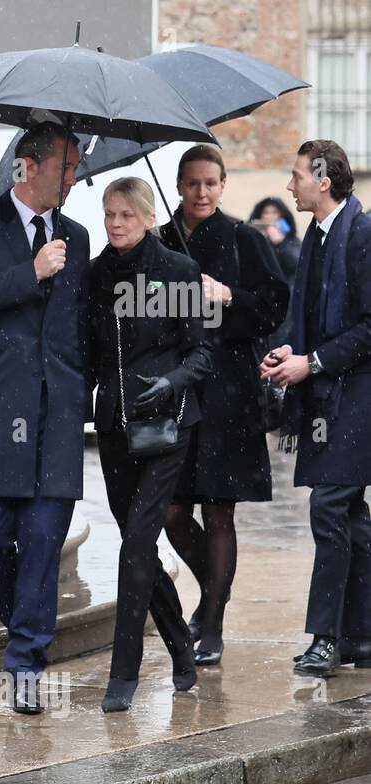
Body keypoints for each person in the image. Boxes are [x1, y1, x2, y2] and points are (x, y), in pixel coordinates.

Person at [0, 122, 91, 715]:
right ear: (29, 167)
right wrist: (32, 272)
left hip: (57, 415)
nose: (74, 178)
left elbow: (87, 324)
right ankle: (25, 628)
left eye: (76, 167)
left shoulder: (77, 238)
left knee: (43, 539)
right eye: (66, 167)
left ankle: (26, 661)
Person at [159, 146, 290, 666]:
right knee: (170, 509)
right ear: (179, 185)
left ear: (223, 184)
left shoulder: (244, 239)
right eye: (192, 183)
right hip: (175, 391)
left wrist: (229, 296)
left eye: (211, 183)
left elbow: (273, 307)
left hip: (229, 392)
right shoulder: (160, 239)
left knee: (218, 509)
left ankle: (211, 620)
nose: (202, 193)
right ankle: (216, 590)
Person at [87, 177, 212, 712]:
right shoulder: (95, 274)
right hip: (115, 427)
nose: (116, 224)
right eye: (109, 214)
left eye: (126, 216)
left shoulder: (178, 270)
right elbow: (89, 352)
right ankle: (182, 650)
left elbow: (202, 354)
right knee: (139, 547)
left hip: (167, 427)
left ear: (147, 217)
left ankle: (125, 673)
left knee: (136, 543)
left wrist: (170, 383)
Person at [261, 140, 371, 676]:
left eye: (296, 173)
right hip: (330, 396)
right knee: (350, 518)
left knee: (329, 509)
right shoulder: (317, 232)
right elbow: (311, 315)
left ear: (323, 180)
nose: (289, 184)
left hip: (359, 399)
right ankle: (363, 636)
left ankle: (326, 639)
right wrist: (290, 352)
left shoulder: (364, 233)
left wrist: (315, 362)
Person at [249, 197, 302, 286]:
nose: (270, 216)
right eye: (266, 212)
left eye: (275, 212)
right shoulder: (253, 236)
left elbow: (297, 264)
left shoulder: (291, 239)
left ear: (281, 216)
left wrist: (281, 243)